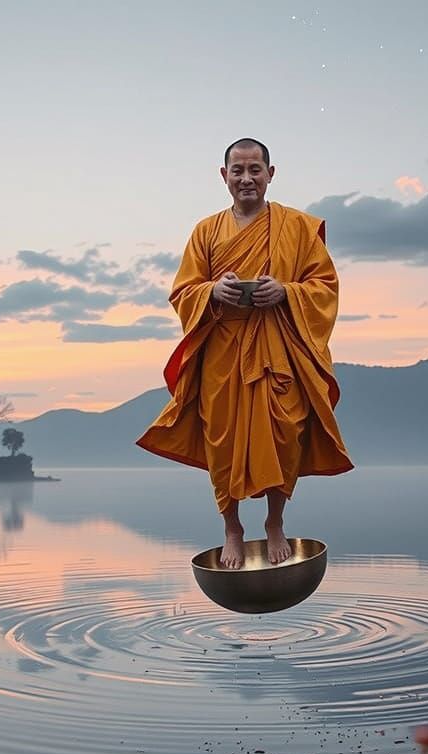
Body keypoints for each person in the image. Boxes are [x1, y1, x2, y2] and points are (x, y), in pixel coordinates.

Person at [136, 138, 353, 569]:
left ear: (271, 174)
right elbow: (183, 291)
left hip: (277, 347)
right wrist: (212, 291)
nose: (247, 178)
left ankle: (275, 521)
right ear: (224, 176)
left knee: (285, 433)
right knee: (222, 441)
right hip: (223, 349)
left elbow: (325, 286)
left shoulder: (297, 228)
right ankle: (231, 527)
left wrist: (287, 292)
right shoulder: (205, 231)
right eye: (238, 170)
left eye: (255, 169)